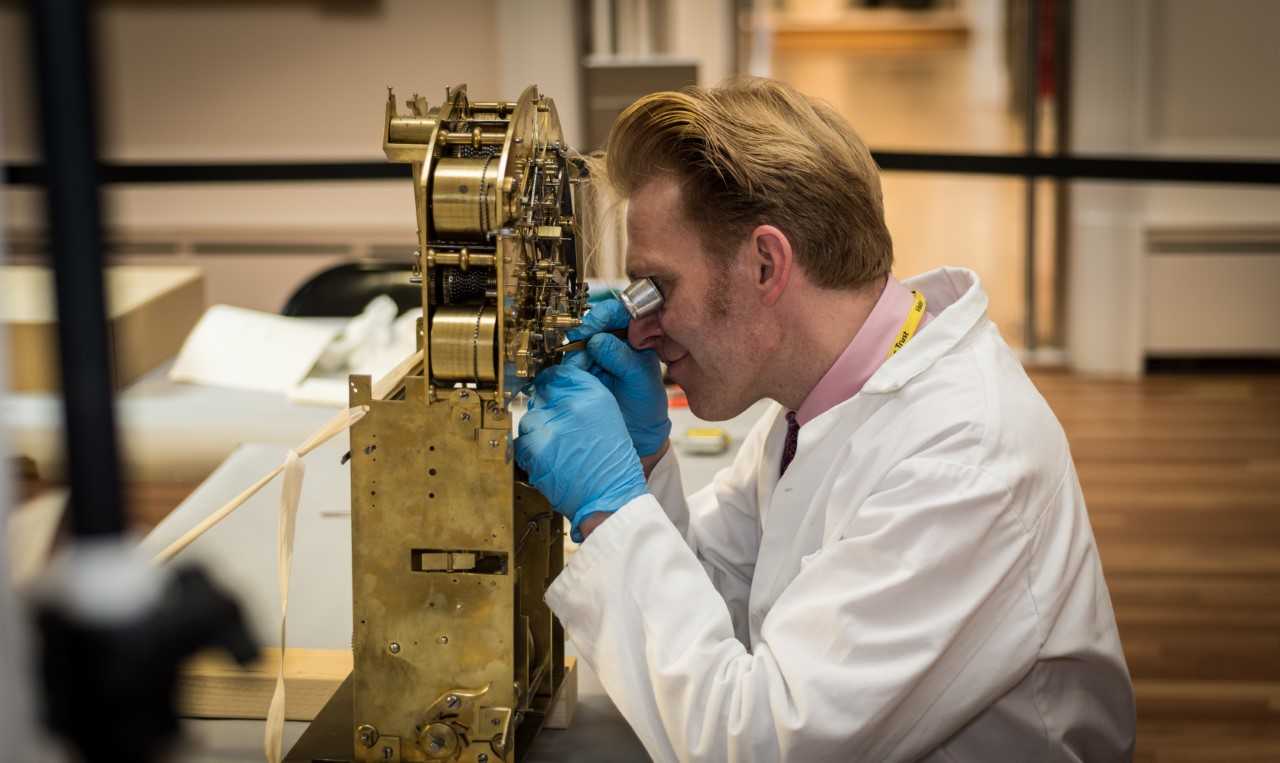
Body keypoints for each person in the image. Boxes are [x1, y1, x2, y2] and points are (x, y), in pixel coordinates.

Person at [515, 78, 1135, 762]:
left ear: (765, 263)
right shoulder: (819, 399)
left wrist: (610, 509)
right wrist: (646, 461)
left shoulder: (964, 457)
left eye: (658, 288)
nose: (642, 329)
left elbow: (753, 742)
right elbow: (718, 601)